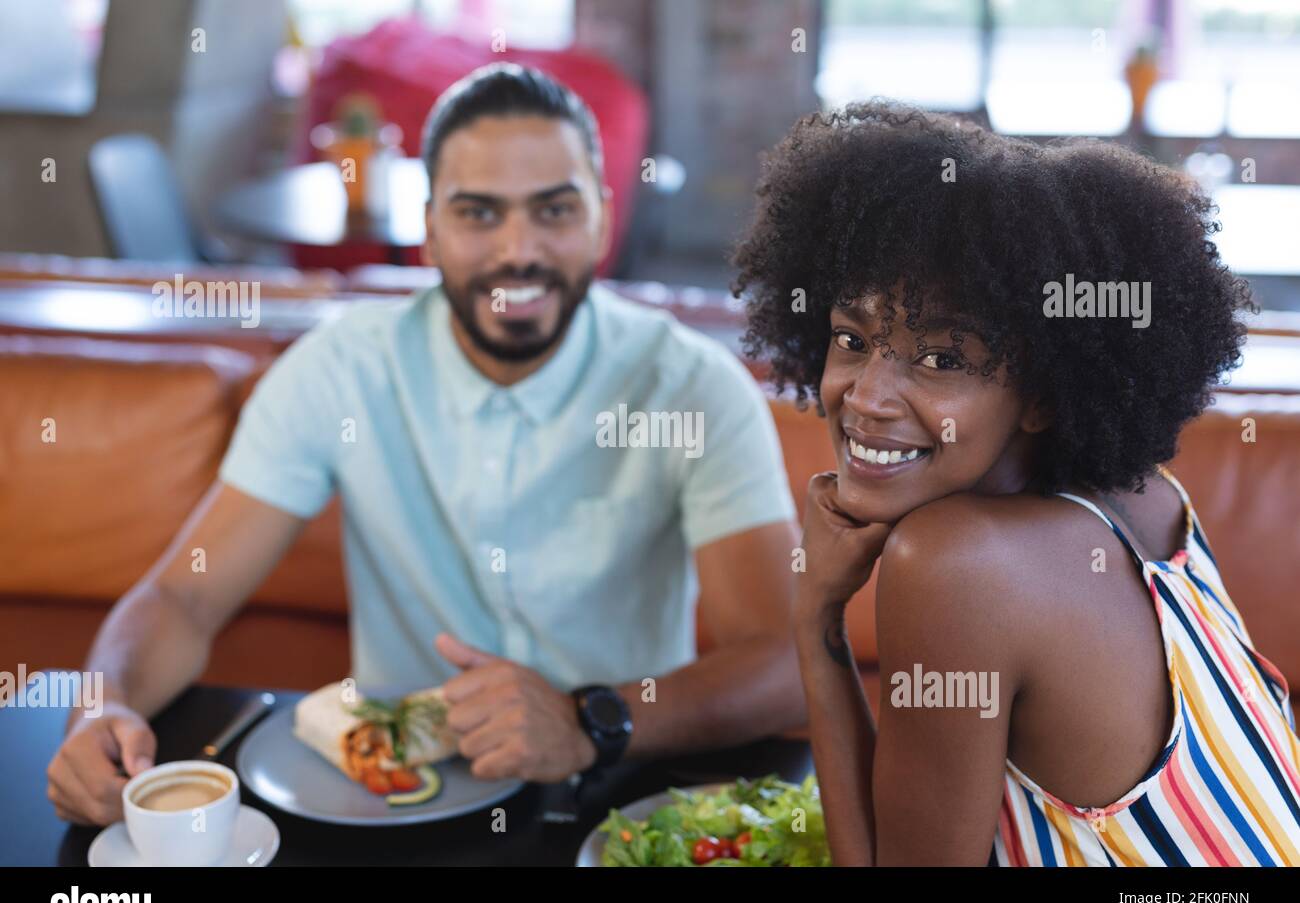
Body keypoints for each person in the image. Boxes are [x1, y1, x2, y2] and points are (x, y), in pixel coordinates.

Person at [48, 64, 801, 827]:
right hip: (391, 804)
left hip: (629, 796)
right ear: (430, 230)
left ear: (603, 219)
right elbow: (184, 594)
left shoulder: (692, 388)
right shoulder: (340, 369)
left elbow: (783, 660)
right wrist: (99, 706)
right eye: (478, 213)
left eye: (554, 210)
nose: (520, 250)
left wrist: (588, 722)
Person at [733, 100, 1300, 866]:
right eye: (852, 339)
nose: (866, 396)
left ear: (1044, 395)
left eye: (941, 359)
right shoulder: (1150, 500)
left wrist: (816, 622)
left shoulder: (956, 565)